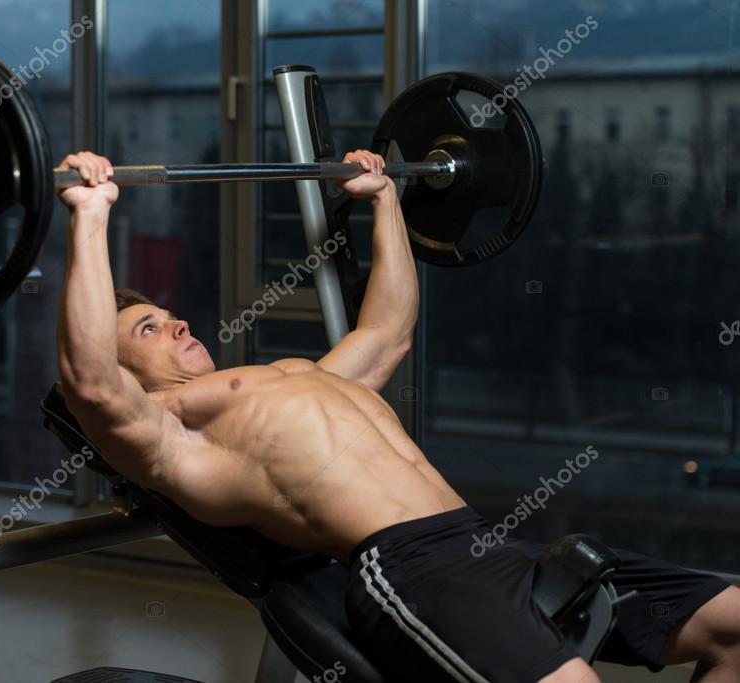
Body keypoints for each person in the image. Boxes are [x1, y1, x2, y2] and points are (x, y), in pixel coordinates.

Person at [55, 150, 739, 683]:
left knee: (732, 626)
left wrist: (384, 200)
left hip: (487, 545)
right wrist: (90, 215)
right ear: (124, 372)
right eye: (147, 329)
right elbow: (88, 376)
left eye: (169, 314)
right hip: (412, 572)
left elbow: (387, 332)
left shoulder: (293, 379)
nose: (174, 323)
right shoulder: (168, 431)